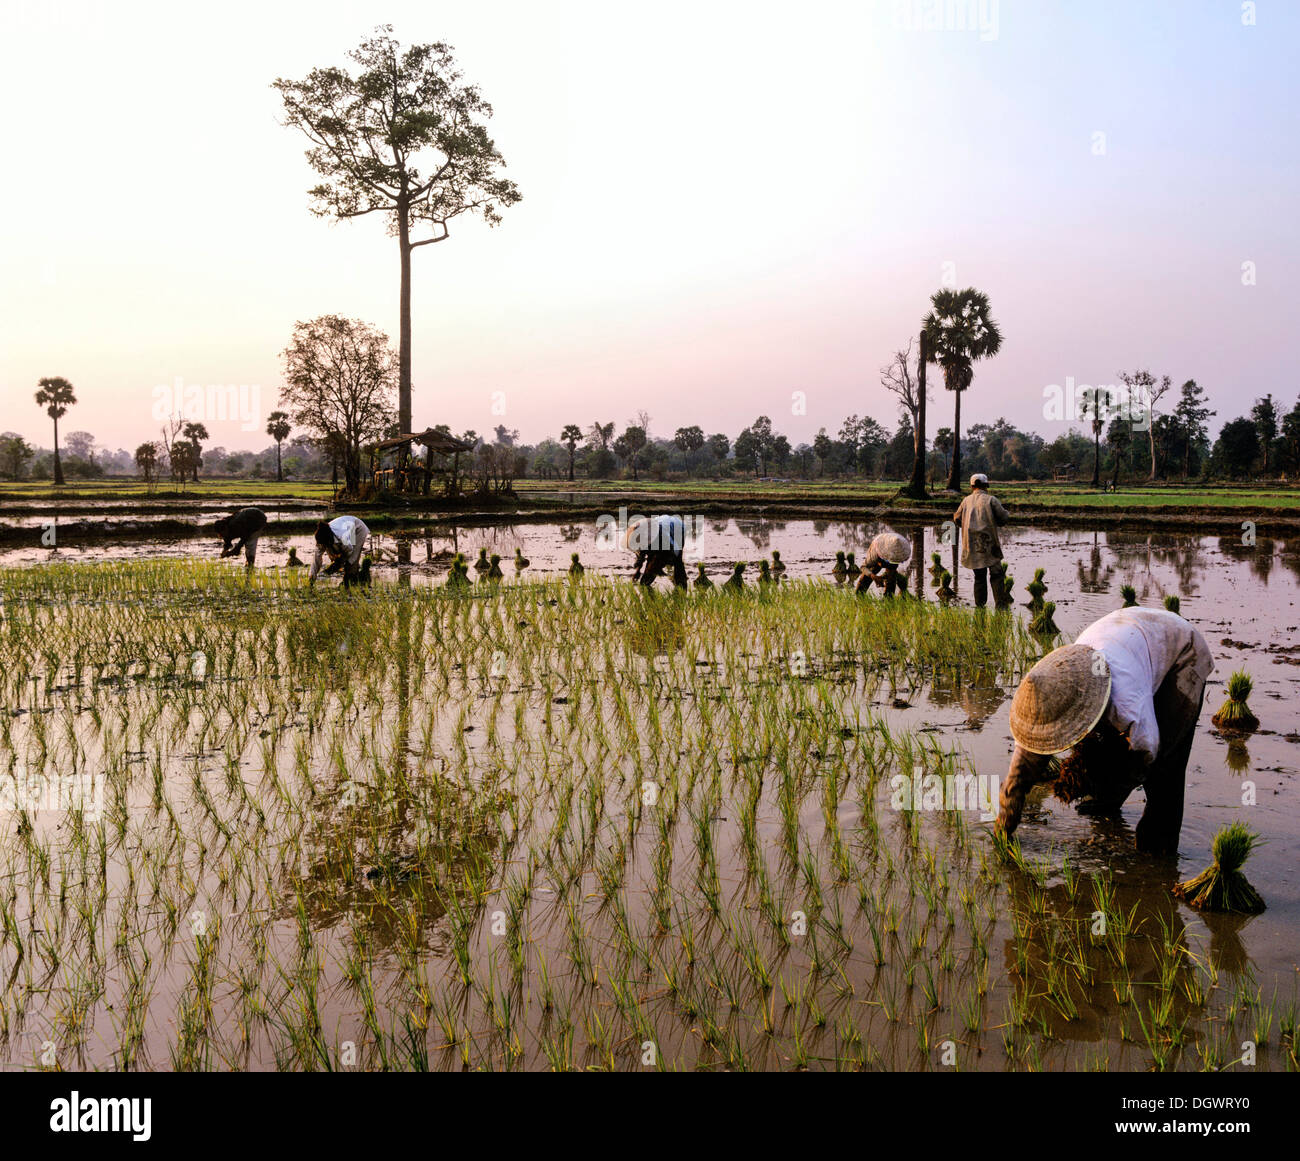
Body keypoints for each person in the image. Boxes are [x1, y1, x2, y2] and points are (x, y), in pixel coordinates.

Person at [995, 606, 1214, 855]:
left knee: (1166, 770)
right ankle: (1106, 804)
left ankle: (1157, 852)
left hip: (1179, 650)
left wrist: (1096, 779)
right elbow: (1023, 765)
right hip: (1126, 635)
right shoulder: (1050, 693)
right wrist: (1006, 817)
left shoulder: (1127, 706)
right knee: (1100, 751)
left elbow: (1145, 756)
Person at [952, 473, 1010, 608]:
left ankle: (980, 606)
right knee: (996, 575)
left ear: (972, 486)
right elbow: (1003, 518)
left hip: (972, 545)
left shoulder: (966, 501)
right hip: (990, 544)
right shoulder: (991, 500)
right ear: (986, 486)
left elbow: (957, 518)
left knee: (979, 576)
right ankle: (1000, 606)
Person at [625, 515, 688, 589]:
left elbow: (676, 551)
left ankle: (681, 582)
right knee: (652, 556)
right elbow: (641, 555)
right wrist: (638, 571)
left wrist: (662, 563)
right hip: (662, 526)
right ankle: (650, 576)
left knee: (677, 561)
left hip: (678, 529)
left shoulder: (662, 534)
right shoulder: (642, 538)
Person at [309, 515, 372, 587]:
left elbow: (349, 552)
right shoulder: (321, 540)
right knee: (337, 560)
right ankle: (352, 580)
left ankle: (351, 583)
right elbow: (316, 561)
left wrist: (338, 564)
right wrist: (312, 578)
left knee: (351, 562)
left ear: (328, 541)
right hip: (346, 528)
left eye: (324, 545)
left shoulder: (341, 536)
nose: (322, 547)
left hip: (357, 529)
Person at [856, 531, 911, 596]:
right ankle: (860, 595)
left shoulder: (899, 551)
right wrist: (873, 577)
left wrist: (887, 575)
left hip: (894, 554)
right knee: (871, 571)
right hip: (878, 551)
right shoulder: (874, 554)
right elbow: (863, 567)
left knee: (891, 576)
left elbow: (892, 568)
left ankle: (888, 598)